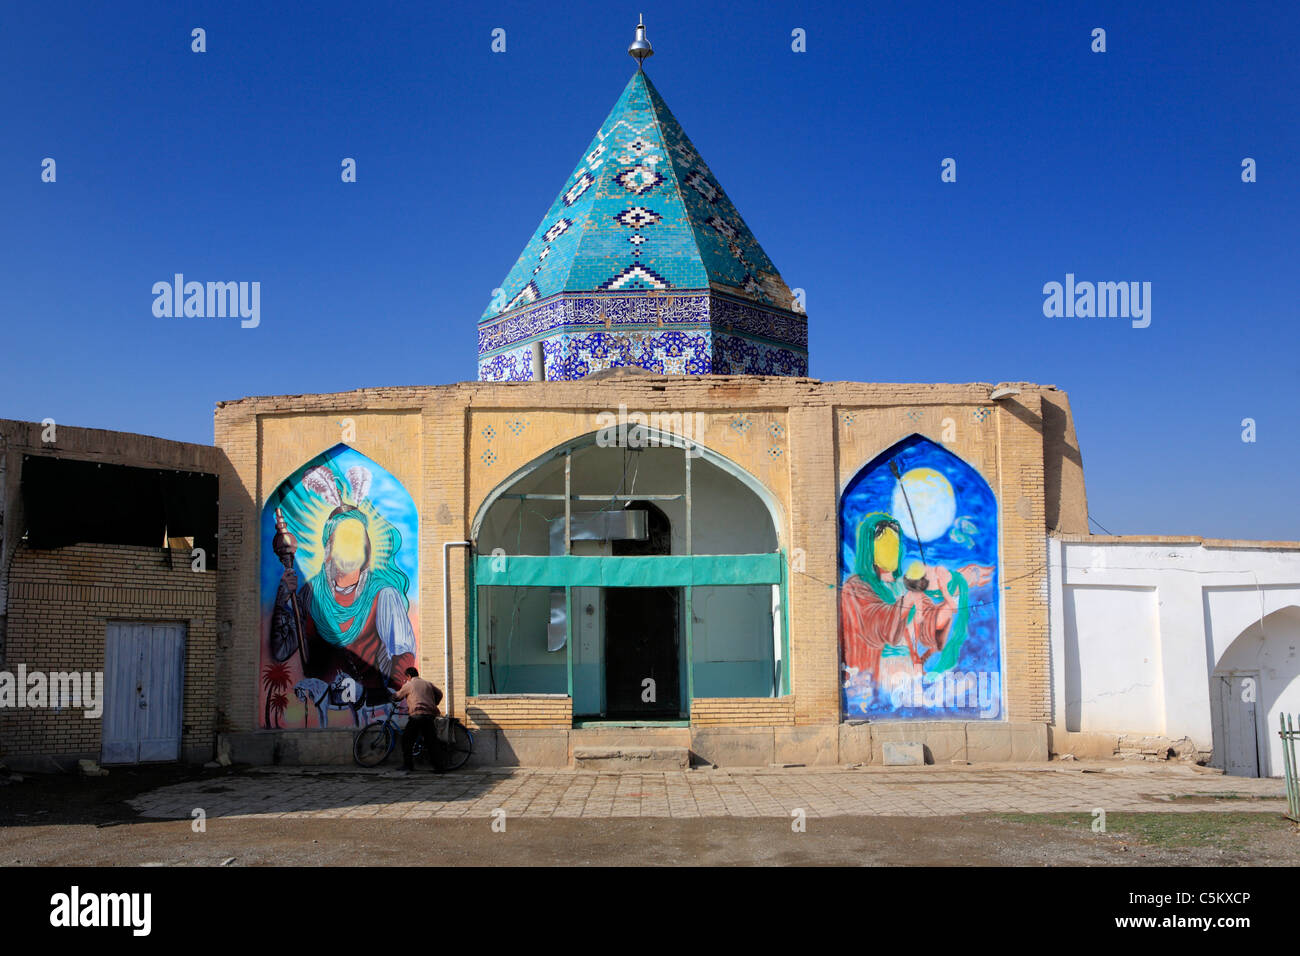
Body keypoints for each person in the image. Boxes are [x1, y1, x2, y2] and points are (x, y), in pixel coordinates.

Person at [391, 667, 444, 772]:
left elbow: (398, 695)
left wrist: (391, 696)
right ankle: (439, 767)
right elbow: (440, 693)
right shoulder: (428, 684)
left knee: (407, 740)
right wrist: (434, 703)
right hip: (429, 715)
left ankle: (408, 765)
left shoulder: (409, 684)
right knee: (431, 741)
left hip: (417, 715)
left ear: (409, 676)